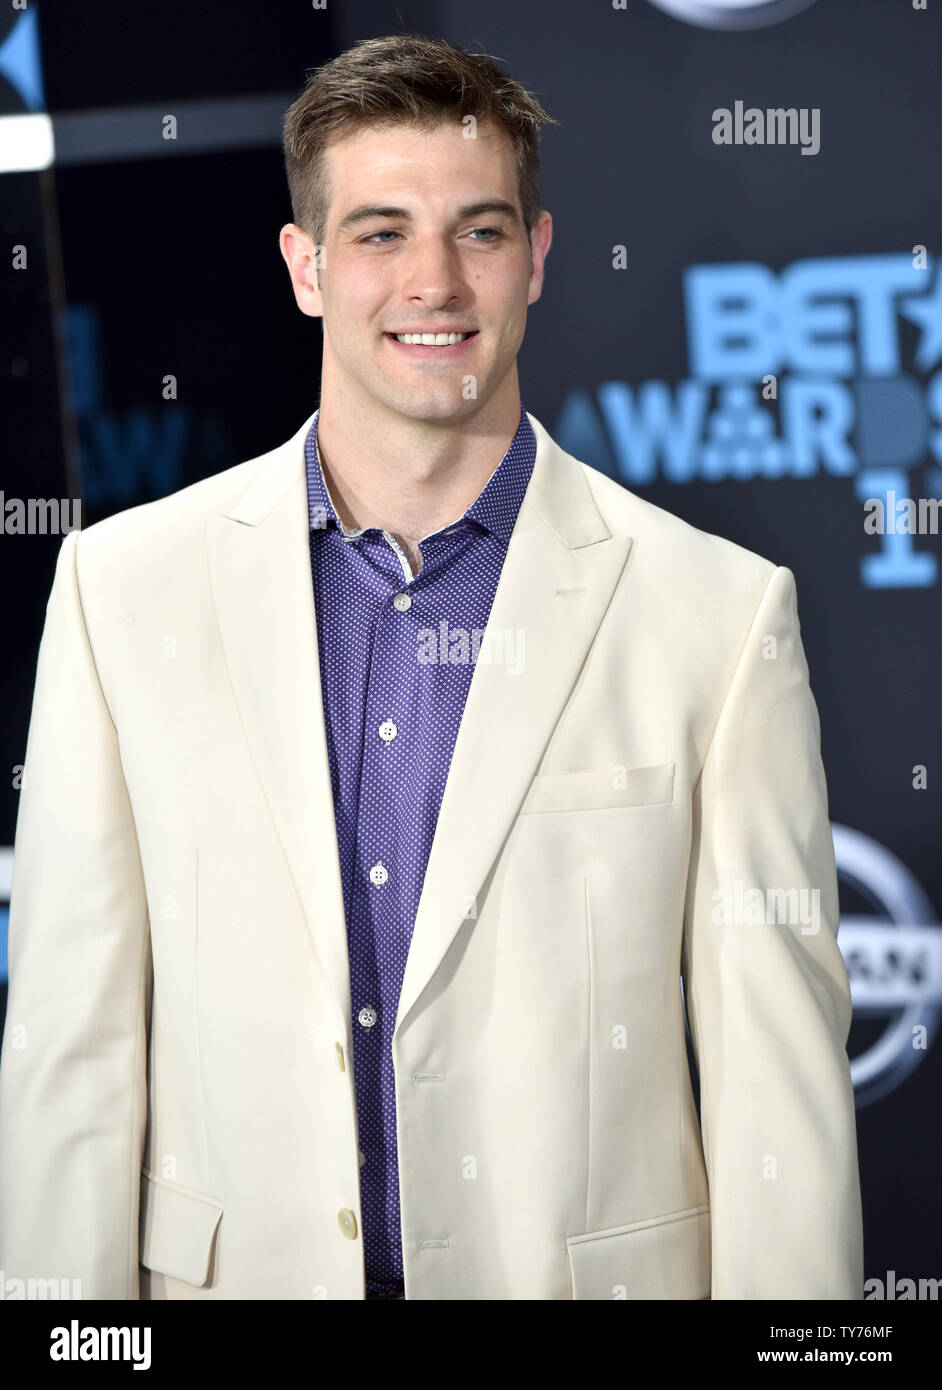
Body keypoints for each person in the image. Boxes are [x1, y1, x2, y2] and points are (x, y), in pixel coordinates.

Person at [0, 32, 863, 1300]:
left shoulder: (718, 616)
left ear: (538, 258)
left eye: (480, 231)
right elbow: (69, 1069)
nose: (435, 282)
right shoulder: (121, 596)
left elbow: (779, 1112)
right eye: (381, 232)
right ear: (305, 267)